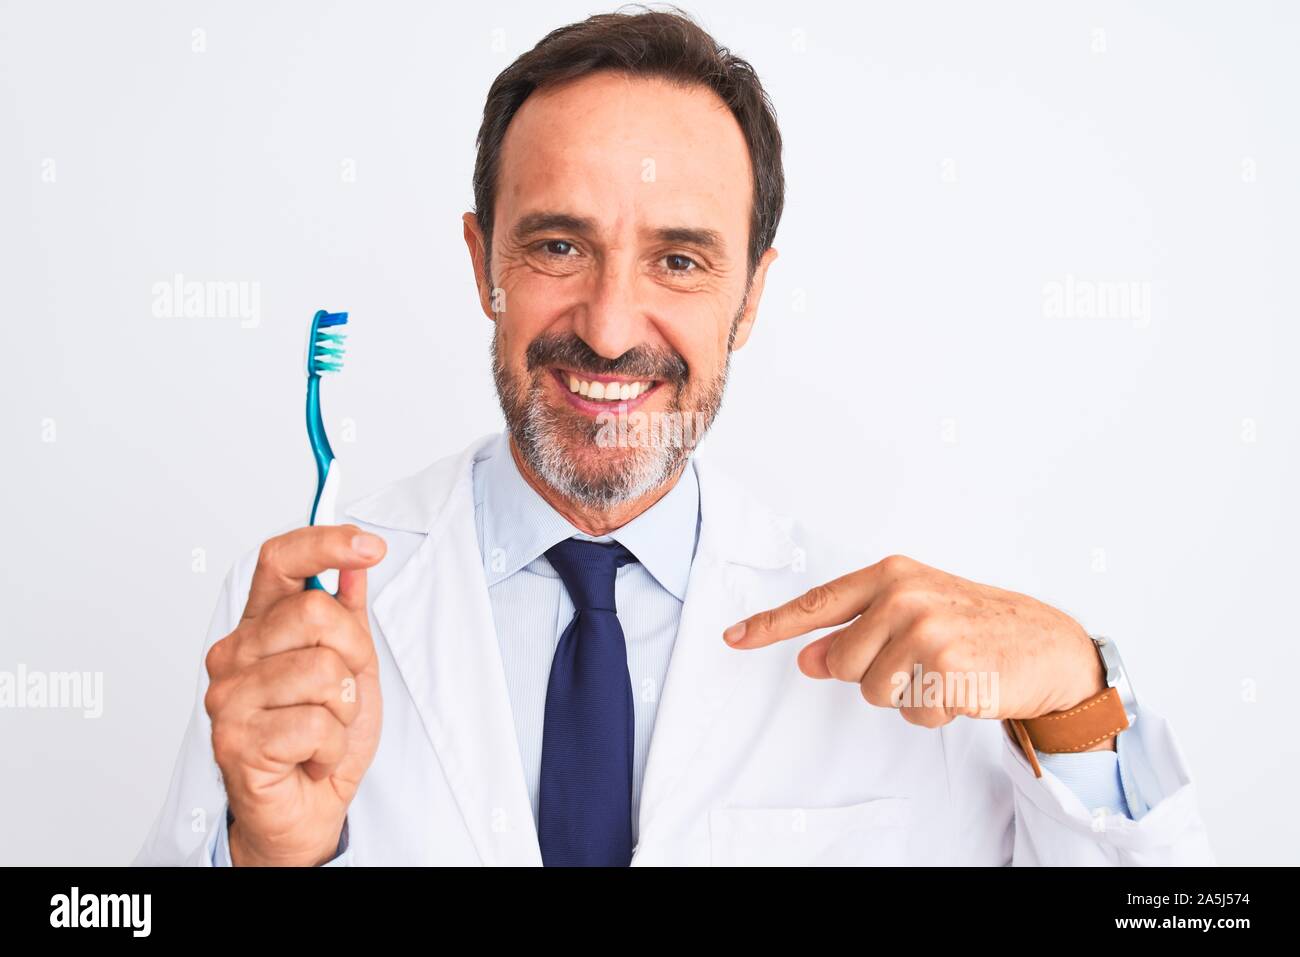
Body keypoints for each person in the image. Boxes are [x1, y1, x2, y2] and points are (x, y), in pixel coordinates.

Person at [135, 8, 1213, 866]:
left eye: (681, 261)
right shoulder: (292, 620)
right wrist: (270, 855)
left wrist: (1079, 698)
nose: (608, 328)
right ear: (482, 266)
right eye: (558, 245)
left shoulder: (912, 660)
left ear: (750, 296)